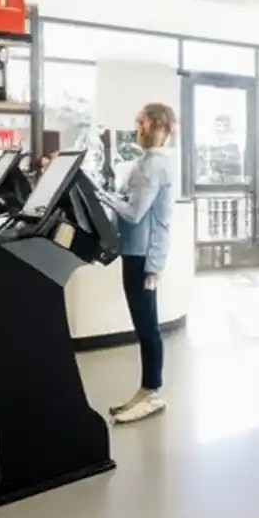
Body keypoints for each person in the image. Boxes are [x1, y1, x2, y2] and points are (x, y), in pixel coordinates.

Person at [100, 102, 176, 424]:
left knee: (147, 327)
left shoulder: (154, 165)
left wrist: (102, 196)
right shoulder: (145, 162)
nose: (138, 130)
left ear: (159, 127)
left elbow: (133, 213)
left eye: (143, 124)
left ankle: (152, 391)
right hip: (135, 253)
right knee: (145, 326)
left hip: (143, 258)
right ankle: (147, 389)